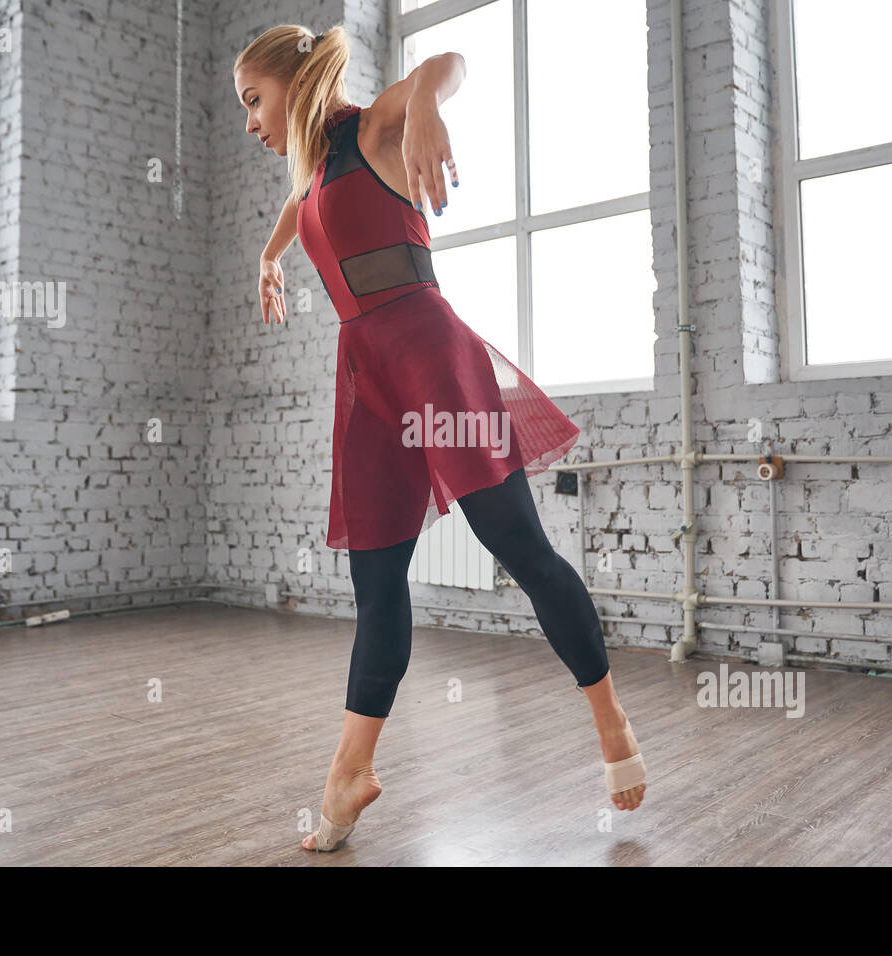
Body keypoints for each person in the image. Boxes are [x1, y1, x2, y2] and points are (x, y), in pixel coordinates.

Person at [234, 23, 646, 853]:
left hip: (432, 362)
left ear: (293, 80)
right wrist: (271, 259)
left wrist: (422, 99)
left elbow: (448, 65)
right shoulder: (313, 170)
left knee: (523, 552)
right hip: (368, 384)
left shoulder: (372, 128)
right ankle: (351, 770)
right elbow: (291, 210)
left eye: (253, 100)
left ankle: (612, 721)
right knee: (376, 585)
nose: (249, 121)